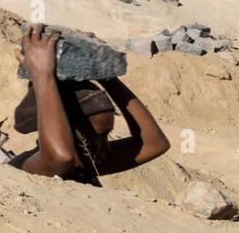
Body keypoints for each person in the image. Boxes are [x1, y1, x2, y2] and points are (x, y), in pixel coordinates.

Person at [10, 24, 169, 184]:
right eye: (98, 136)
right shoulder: (31, 167)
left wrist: (106, 75)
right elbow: (61, 157)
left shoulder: (84, 165)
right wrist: (42, 74)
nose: (105, 147)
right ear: (66, 130)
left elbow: (155, 143)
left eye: (105, 136)